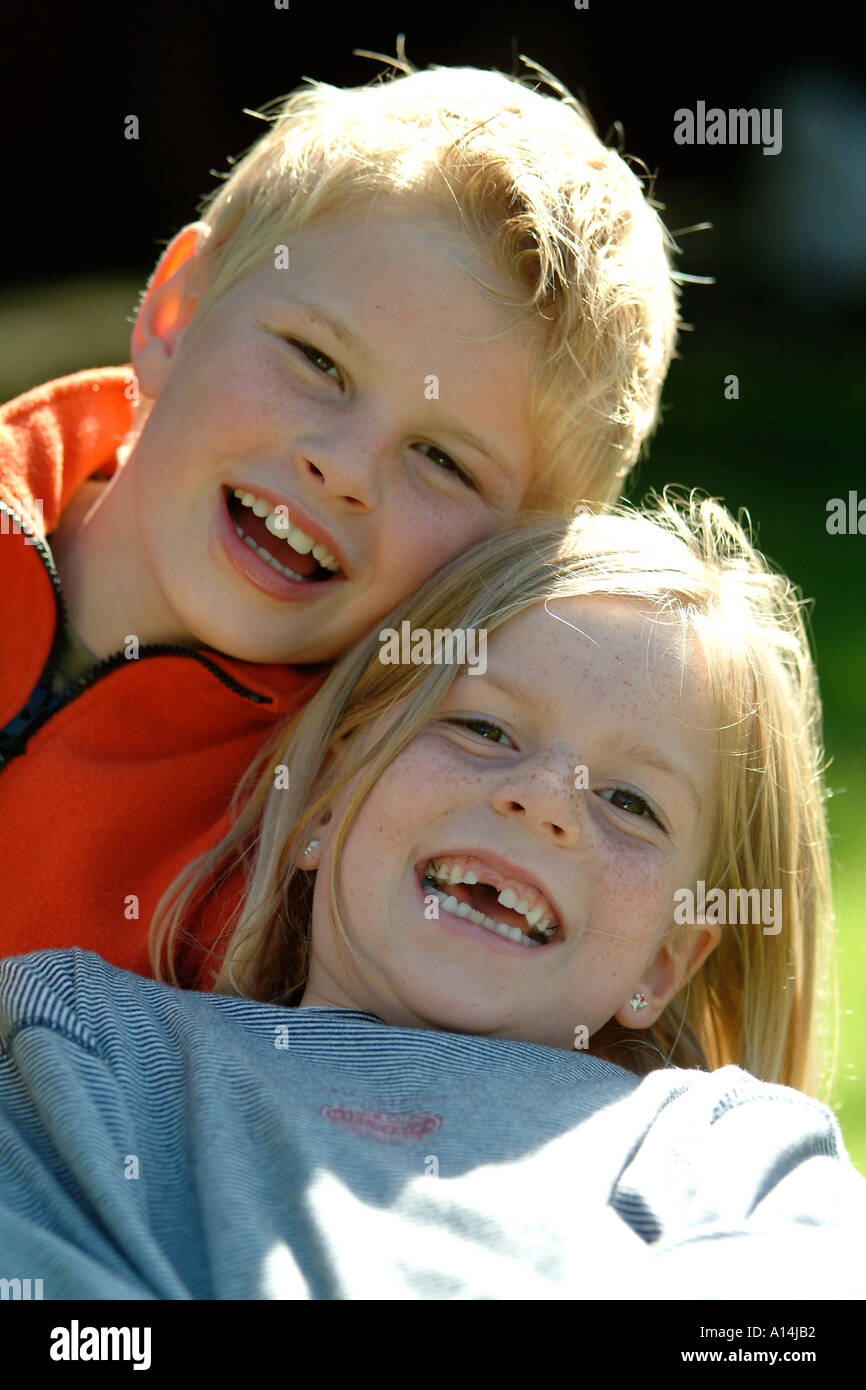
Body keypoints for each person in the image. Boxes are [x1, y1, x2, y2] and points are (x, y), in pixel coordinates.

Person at [1, 492, 863, 1300]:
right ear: (323, 802)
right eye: (483, 729)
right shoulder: (88, 1049)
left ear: (668, 961)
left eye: (631, 804)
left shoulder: (725, 1150)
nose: (545, 801)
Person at [0, 52, 680, 979]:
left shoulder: (353, 855)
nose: (345, 468)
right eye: (317, 361)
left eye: (442, 460)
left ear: (508, 569)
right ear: (176, 312)